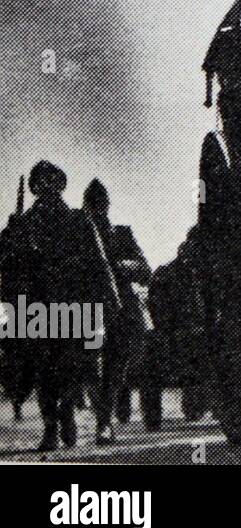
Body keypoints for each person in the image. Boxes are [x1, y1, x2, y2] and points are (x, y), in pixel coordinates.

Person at [0, 162, 109, 451]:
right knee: (44, 369)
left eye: (52, 181)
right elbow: (6, 264)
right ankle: (50, 426)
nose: (47, 187)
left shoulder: (79, 219)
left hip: (75, 305)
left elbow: (99, 263)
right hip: (38, 307)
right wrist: (9, 238)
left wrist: (111, 301)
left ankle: (66, 411)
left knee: (76, 365)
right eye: (40, 182)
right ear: (35, 189)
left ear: (61, 184)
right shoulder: (23, 223)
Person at [82, 179, 152, 444]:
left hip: (121, 309)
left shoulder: (122, 233)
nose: (98, 209)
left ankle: (104, 419)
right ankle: (103, 417)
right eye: (93, 204)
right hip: (88, 308)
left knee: (115, 366)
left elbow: (145, 269)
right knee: (89, 365)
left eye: (101, 204)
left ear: (108, 206)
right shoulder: (78, 237)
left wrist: (124, 266)